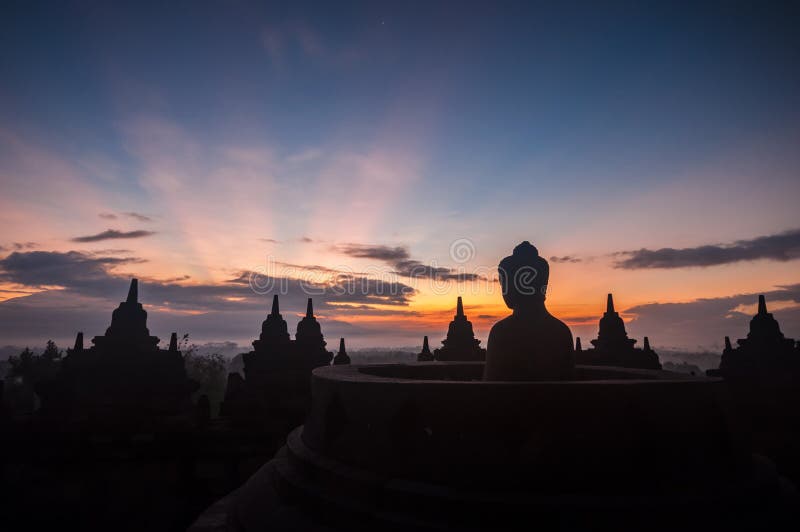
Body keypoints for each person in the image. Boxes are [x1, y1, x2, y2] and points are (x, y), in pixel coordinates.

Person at [483, 241, 574, 381]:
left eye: (503, 282)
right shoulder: (562, 332)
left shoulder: (501, 332)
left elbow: (490, 388)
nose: (502, 289)